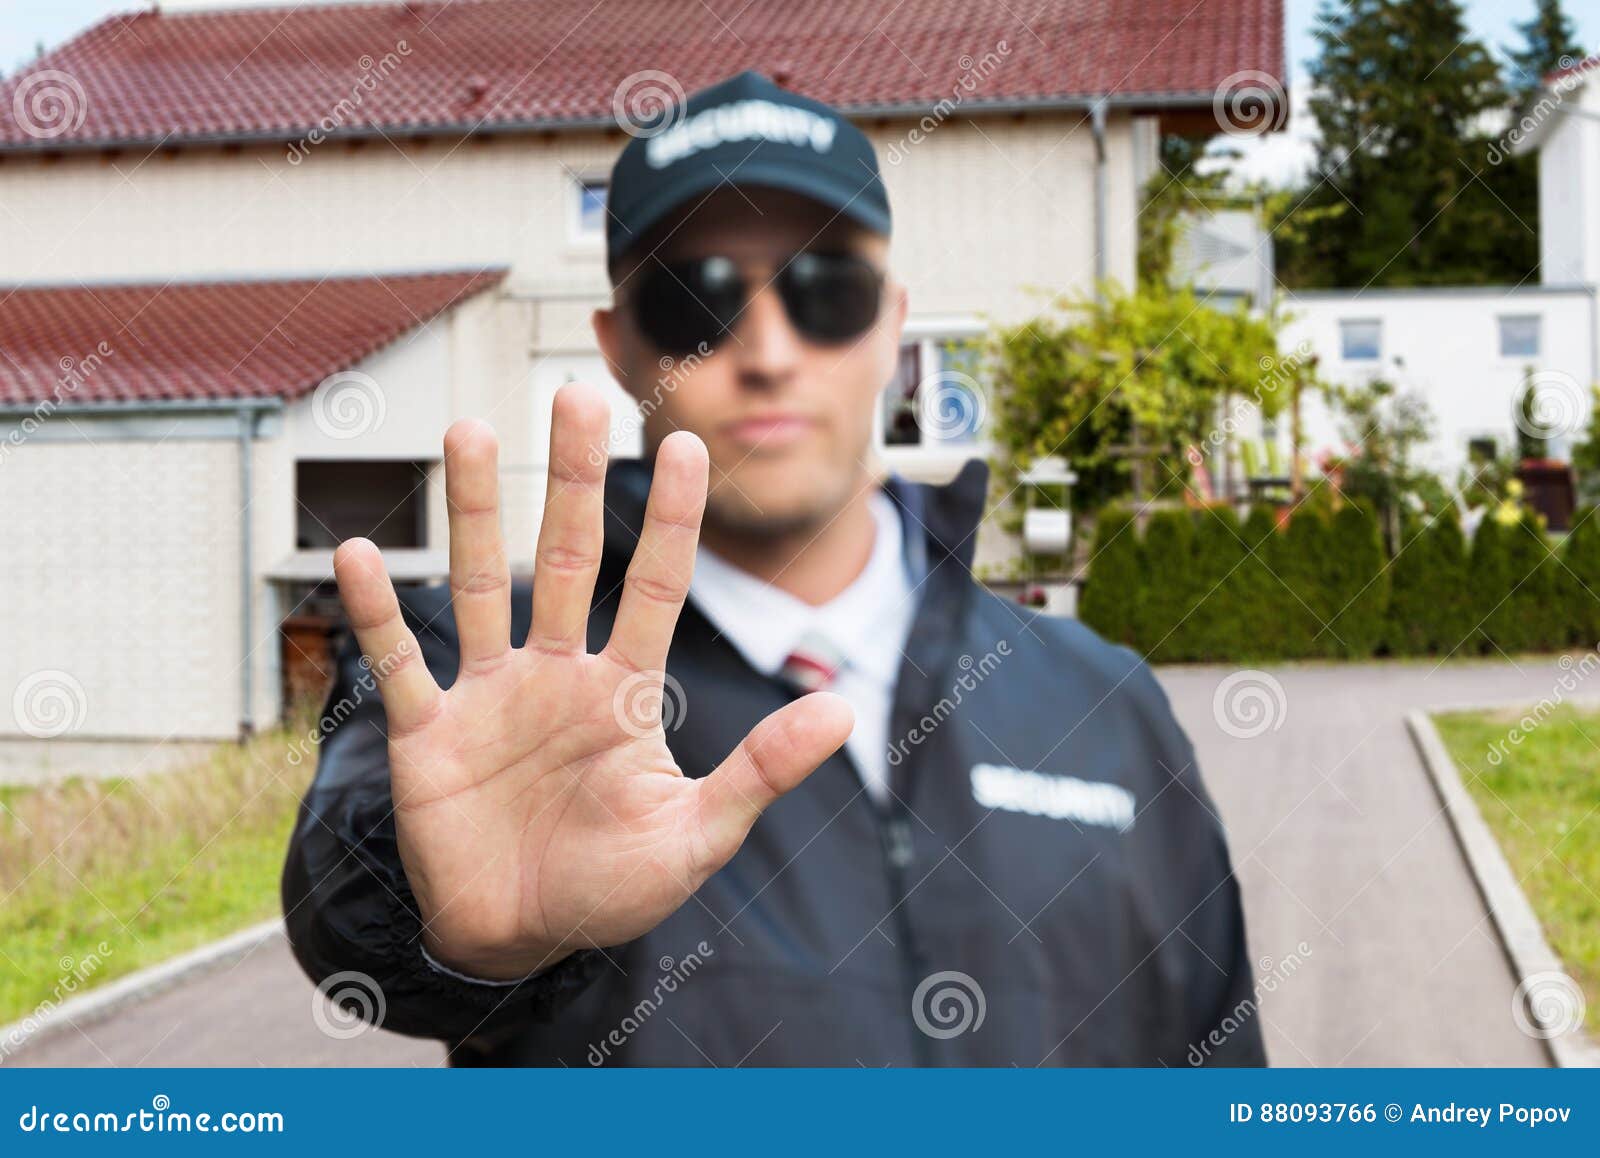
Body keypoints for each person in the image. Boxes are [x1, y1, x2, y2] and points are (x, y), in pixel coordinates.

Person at [282, 71, 1265, 1067]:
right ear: (619, 347)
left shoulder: (1108, 703)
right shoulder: (479, 675)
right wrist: (460, 931)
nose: (767, 349)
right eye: (695, 298)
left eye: (824, 288)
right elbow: (350, 896)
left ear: (891, 324)